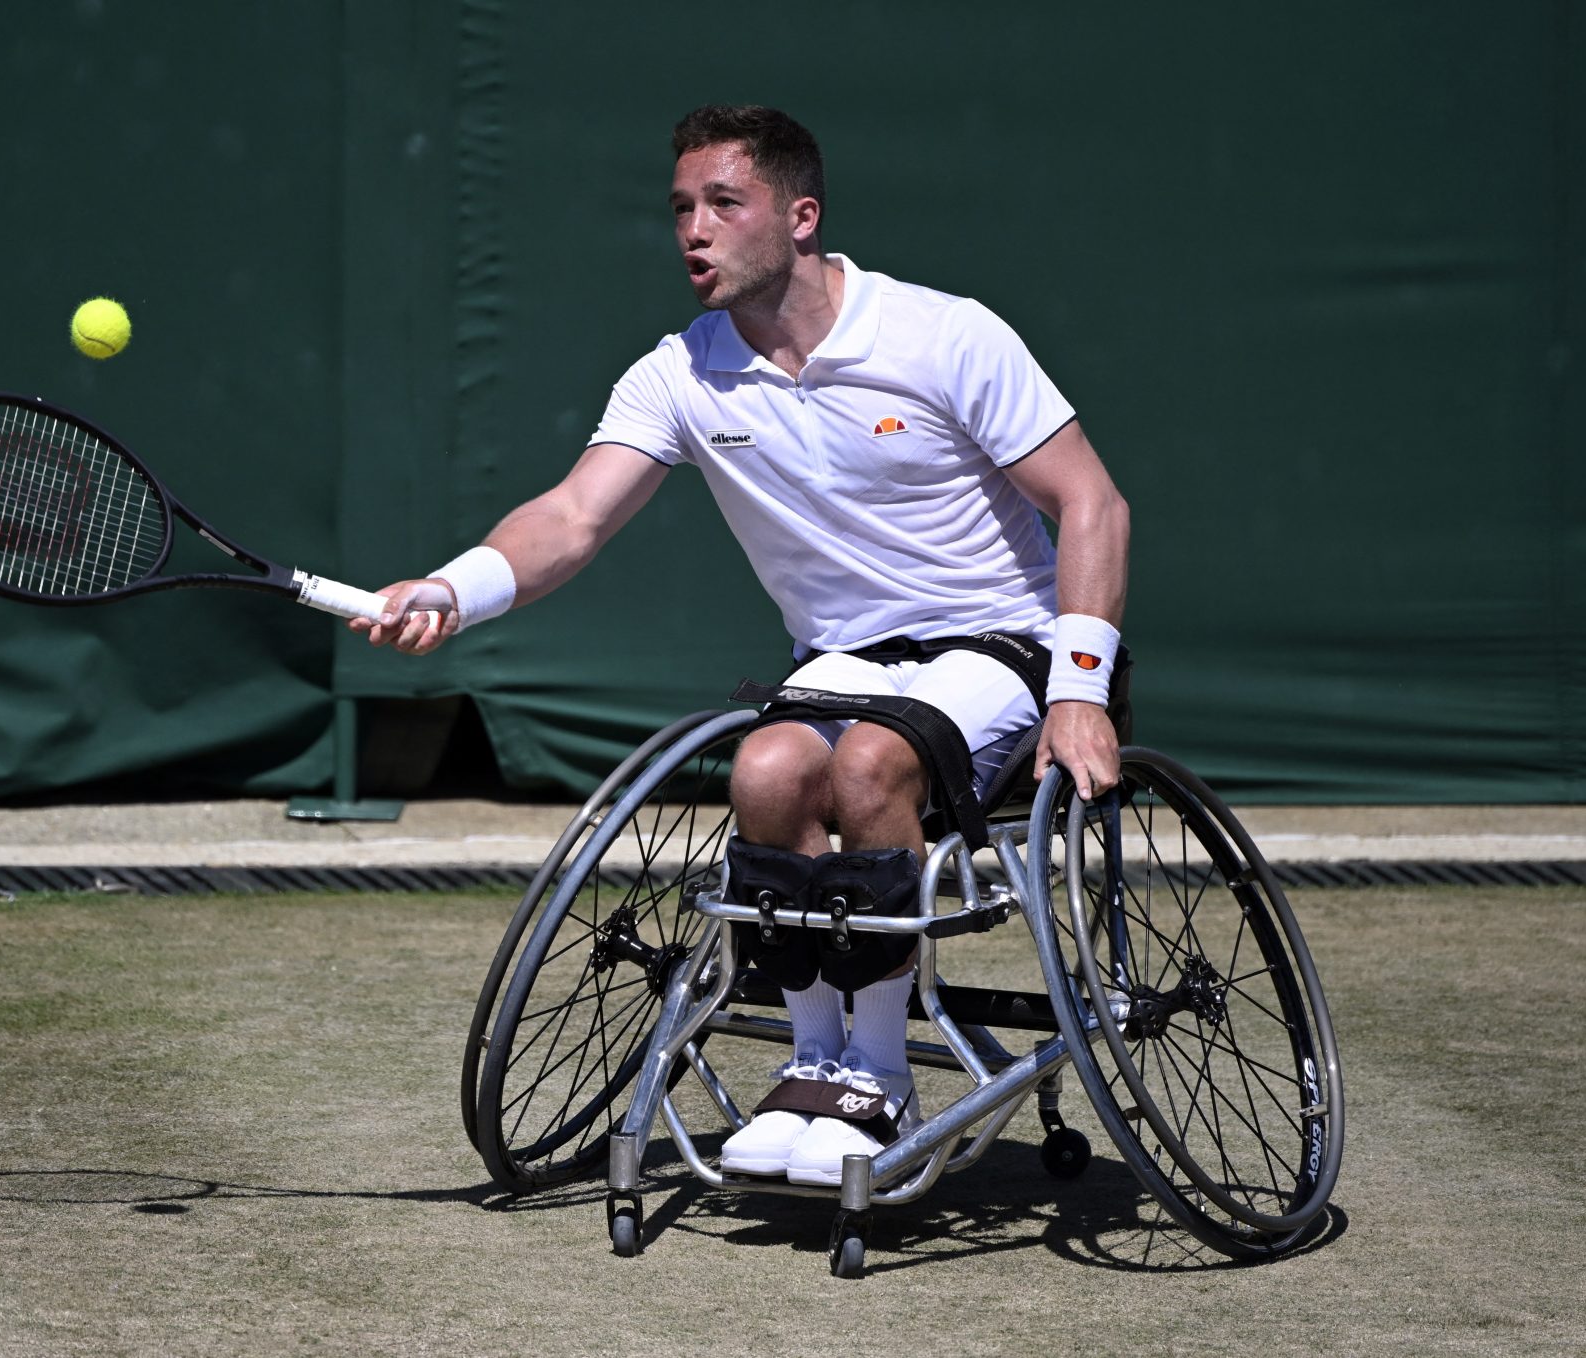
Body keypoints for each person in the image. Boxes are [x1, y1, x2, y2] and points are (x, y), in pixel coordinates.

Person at [353, 104, 1129, 1186]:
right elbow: (571, 519)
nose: (693, 230)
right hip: (848, 658)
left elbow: (1091, 503)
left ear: (800, 216)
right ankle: (815, 1063)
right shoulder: (679, 372)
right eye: (680, 208)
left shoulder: (945, 334)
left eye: (724, 203)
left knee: (867, 763)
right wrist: (452, 588)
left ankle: (877, 1071)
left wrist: (1081, 692)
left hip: (1002, 642)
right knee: (766, 768)